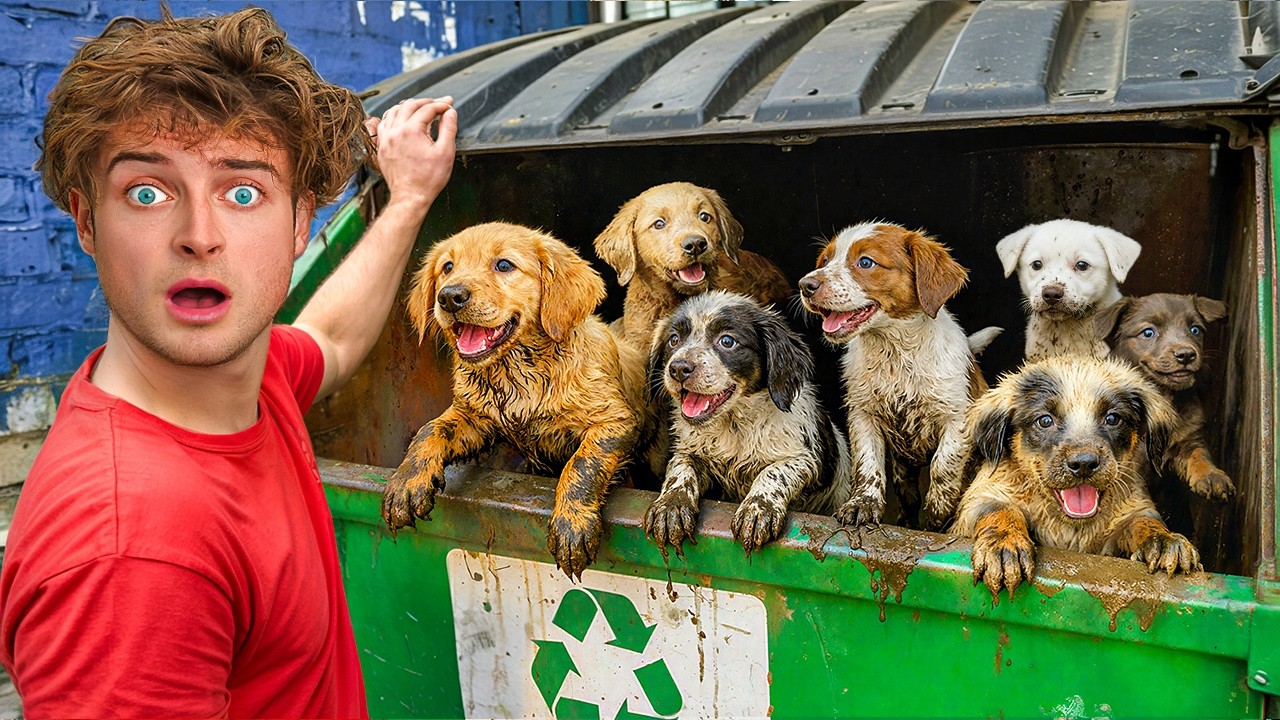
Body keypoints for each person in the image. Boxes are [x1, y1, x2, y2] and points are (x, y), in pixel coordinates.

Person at [0, 6, 456, 717]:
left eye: (243, 192)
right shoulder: (134, 554)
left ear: (301, 223)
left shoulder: (255, 376)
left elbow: (330, 341)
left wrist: (410, 198)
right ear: (87, 222)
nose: (199, 236)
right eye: (147, 193)